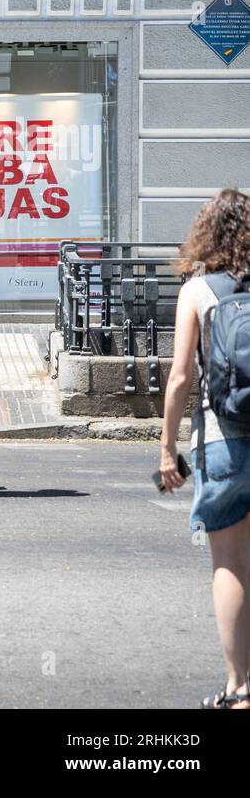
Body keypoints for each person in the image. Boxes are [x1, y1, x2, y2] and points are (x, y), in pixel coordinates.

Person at [158, 189, 250, 709]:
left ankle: (239, 688)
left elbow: (179, 378)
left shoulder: (197, 291)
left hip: (224, 440)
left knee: (231, 564)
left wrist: (167, 450)